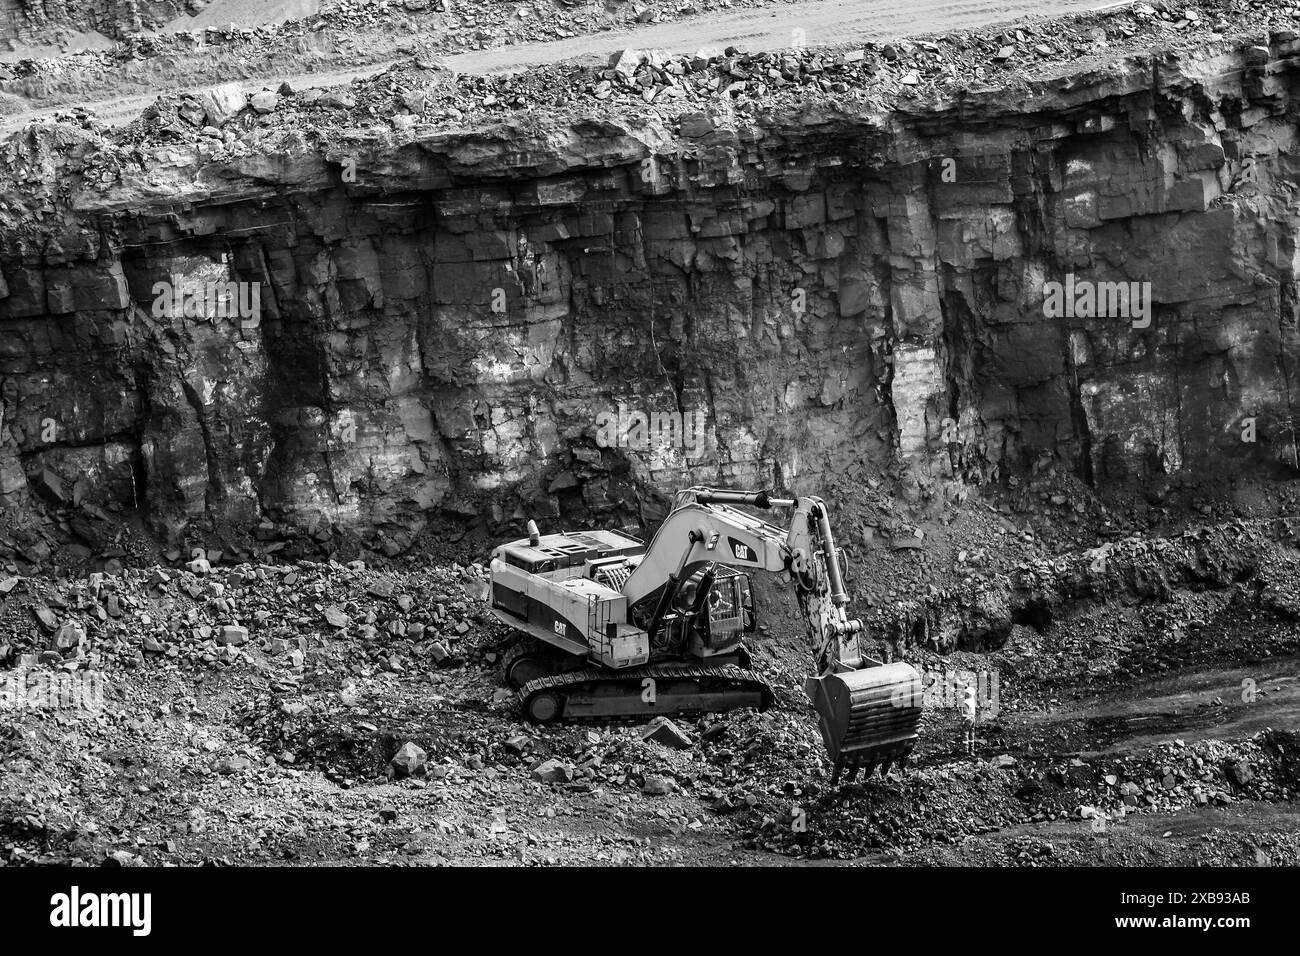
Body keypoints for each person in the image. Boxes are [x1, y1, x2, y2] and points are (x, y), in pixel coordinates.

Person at [958, 679, 977, 755]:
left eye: (966, 693)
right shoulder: (972, 700)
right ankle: (971, 749)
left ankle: (965, 749)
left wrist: (962, 722)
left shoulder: (966, 702)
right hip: (973, 719)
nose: (965, 693)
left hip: (967, 719)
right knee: (971, 733)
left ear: (969, 694)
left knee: (965, 733)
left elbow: (964, 714)